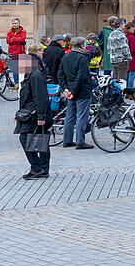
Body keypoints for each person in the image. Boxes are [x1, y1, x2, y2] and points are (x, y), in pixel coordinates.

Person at [15, 45, 53, 179]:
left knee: (27, 138)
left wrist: (41, 116)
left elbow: (40, 96)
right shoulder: (32, 73)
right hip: (31, 112)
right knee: (38, 139)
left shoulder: (35, 75)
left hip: (36, 113)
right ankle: (41, 168)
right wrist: (19, 114)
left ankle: (38, 168)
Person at [57, 37, 96, 149]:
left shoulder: (65, 56)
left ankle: (67, 140)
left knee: (70, 116)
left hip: (69, 89)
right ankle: (80, 142)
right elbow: (81, 77)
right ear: (82, 46)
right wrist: (73, 91)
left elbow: (60, 74)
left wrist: (65, 89)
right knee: (81, 116)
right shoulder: (82, 58)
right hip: (81, 91)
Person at [107, 16, 131, 82]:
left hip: (114, 60)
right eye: (124, 23)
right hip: (122, 60)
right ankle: (121, 92)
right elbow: (124, 48)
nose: (125, 25)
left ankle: (116, 92)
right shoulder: (121, 34)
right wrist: (128, 58)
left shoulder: (111, 34)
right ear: (120, 25)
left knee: (115, 80)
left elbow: (108, 48)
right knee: (121, 81)